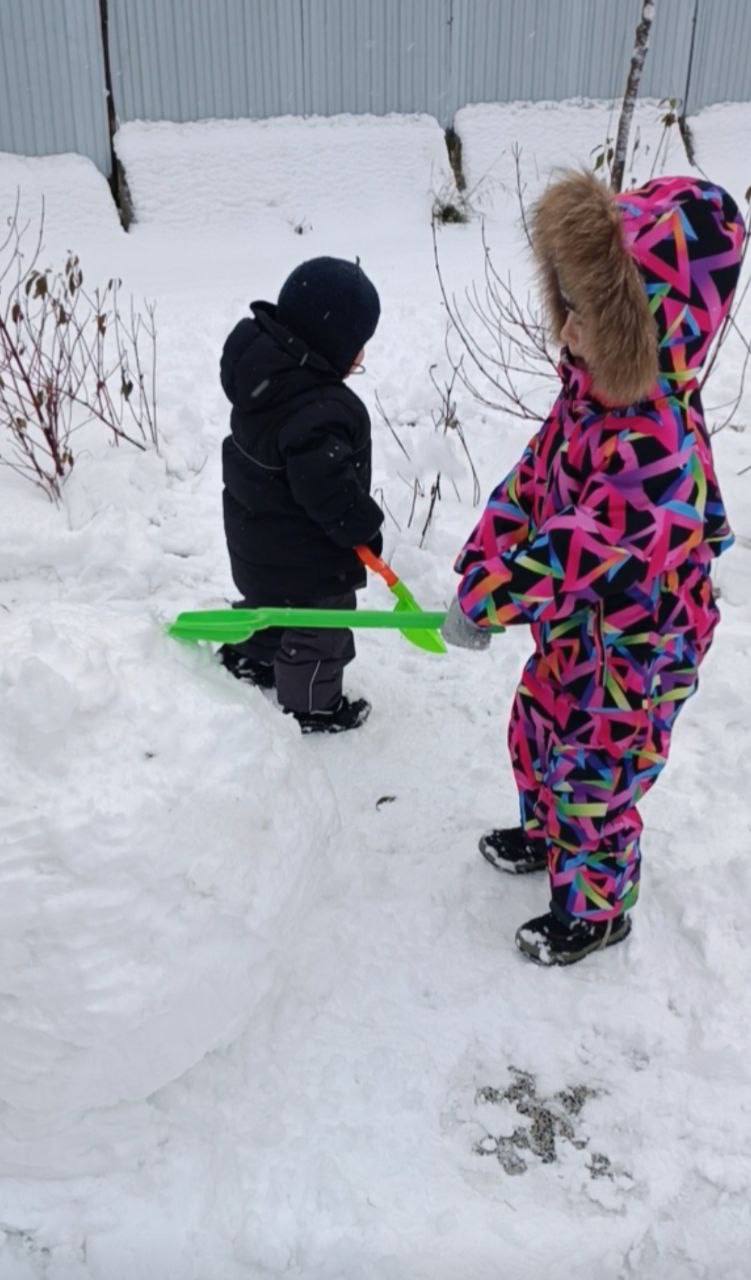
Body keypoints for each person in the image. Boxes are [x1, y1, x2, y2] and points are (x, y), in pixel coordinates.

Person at [443, 172, 745, 965]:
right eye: (566, 304)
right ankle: (545, 835)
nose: (566, 328)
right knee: (536, 728)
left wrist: (494, 596)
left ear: (647, 332)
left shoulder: (658, 447)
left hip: (639, 654)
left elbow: (582, 545)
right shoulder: (587, 401)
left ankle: (596, 911)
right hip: (580, 633)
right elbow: (531, 485)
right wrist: (483, 552)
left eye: (589, 315)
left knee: (593, 779)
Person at [219, 256, 384, 733]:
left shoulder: (263, 377)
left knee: (271, 609)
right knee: (320, 629)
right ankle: (312, 704)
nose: (361, 358)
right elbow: (327, 490)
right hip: (306, 557)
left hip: (258, 539)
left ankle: (253, 659)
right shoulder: (318, 409)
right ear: (331, 341)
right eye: (358, 346)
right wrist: (364, 528)